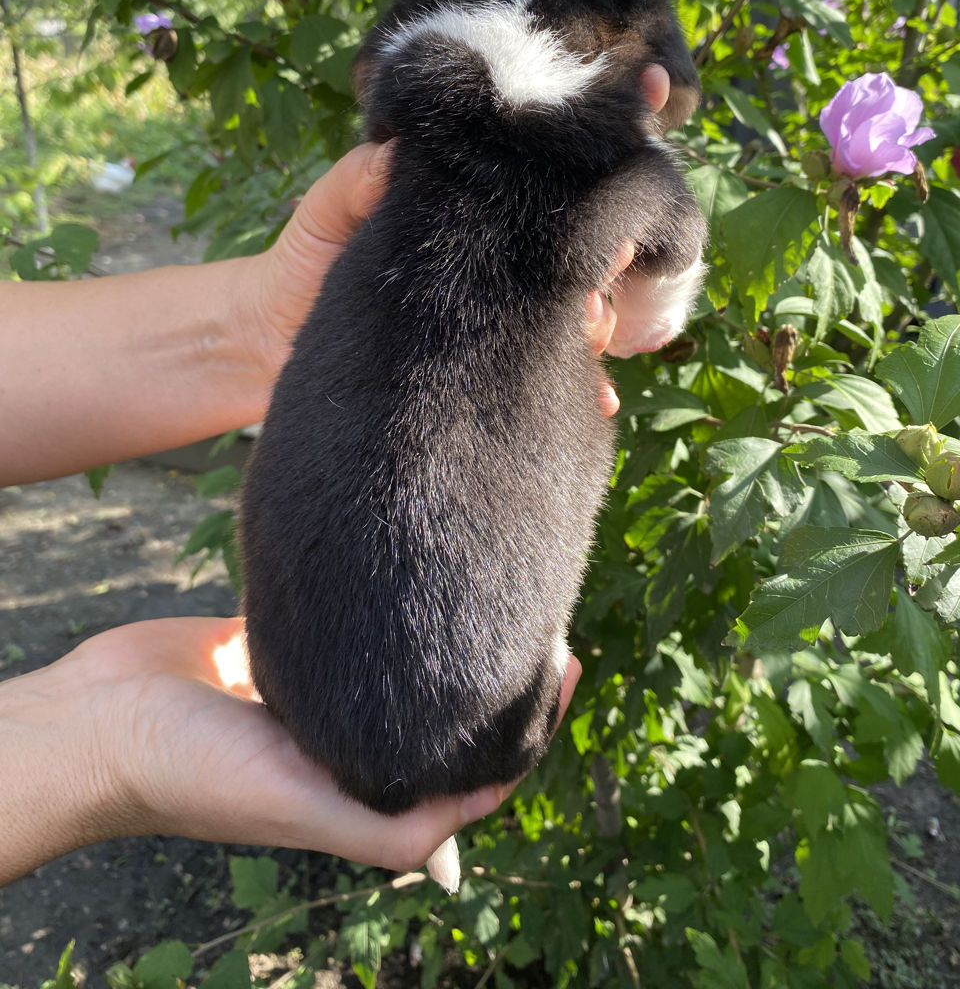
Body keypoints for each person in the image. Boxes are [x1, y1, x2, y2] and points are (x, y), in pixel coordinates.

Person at [0, 66, 673, 888]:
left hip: (342, 692)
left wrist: (260, 321)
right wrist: (96, 750)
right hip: (440, 706)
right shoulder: (608, 166)